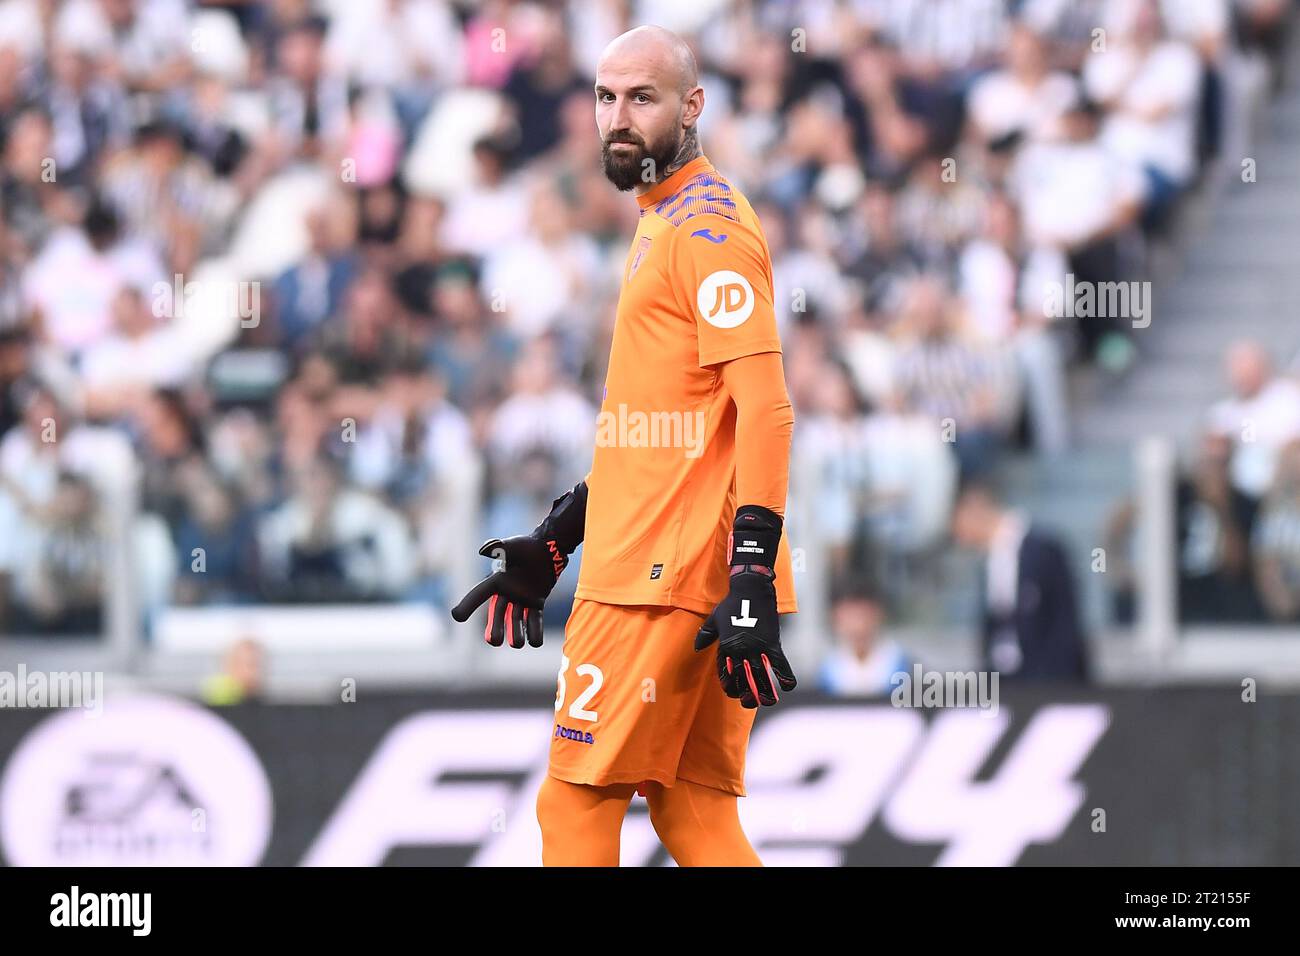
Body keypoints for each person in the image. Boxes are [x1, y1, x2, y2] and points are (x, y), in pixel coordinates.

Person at [451, 26, 797, 867]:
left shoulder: (705, 230)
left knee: (572, 804)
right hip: (681, 565)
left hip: (661, 578)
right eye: (606, 96)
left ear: (692, 106)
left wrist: (750, 570)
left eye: (642, 98)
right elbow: (666, 423)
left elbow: (767, 409)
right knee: (693, 816)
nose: (618, 116)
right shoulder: (667, 217)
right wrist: (562, 533)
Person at [950, 478, 1089, 682]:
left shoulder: (1044, 550)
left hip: (1049, 683)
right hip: (1007, 685)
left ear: (975, 509)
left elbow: (1064, 623)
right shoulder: (988, 563)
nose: (958, 534)